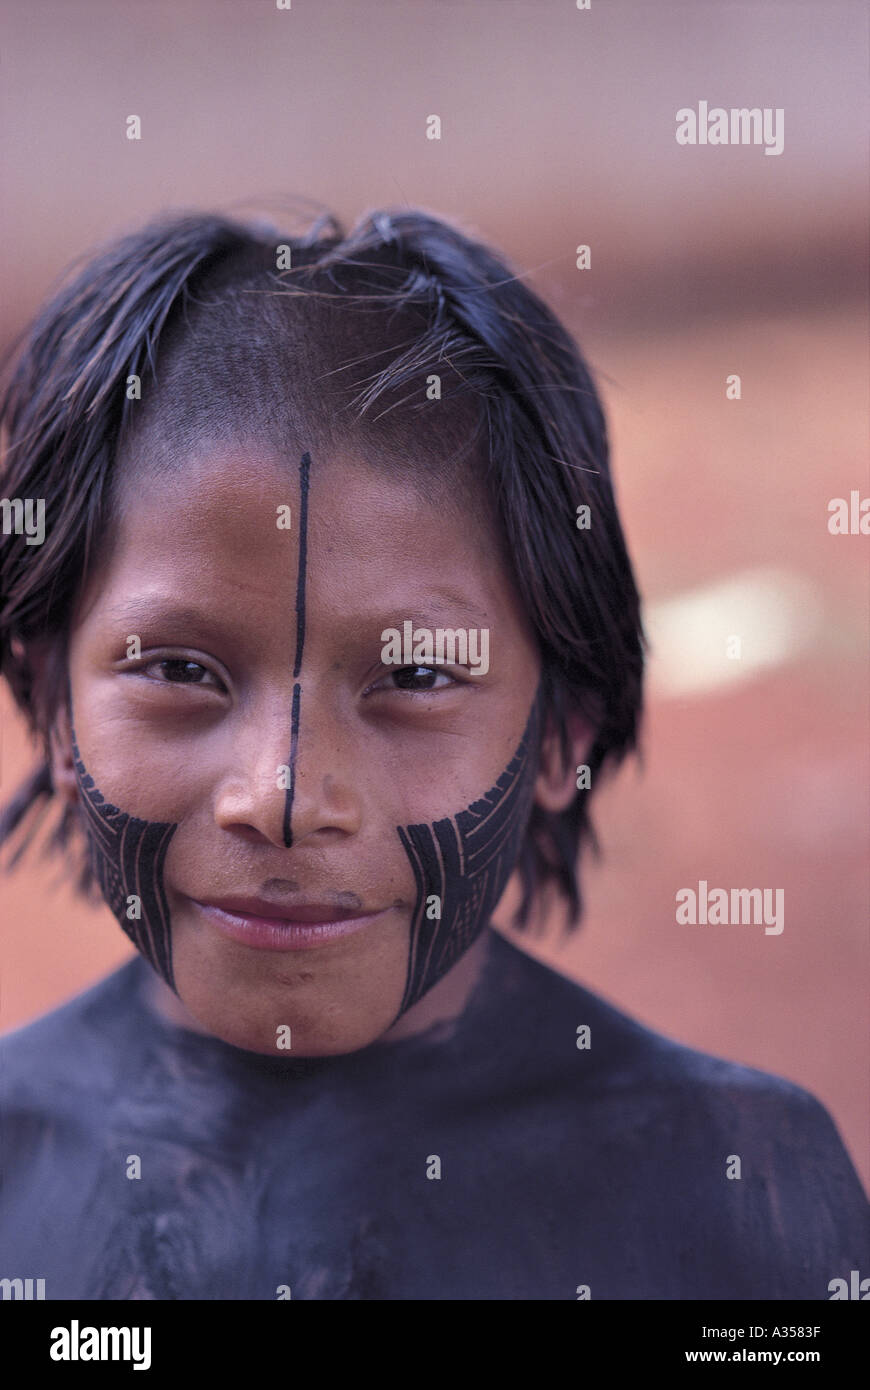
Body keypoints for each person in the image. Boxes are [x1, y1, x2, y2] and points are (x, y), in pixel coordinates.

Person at [0, 205, 865, 1300]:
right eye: (178, 671)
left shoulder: (738, 1196)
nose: (283, 796)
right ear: (51, 702)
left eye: (414, 677)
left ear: (565, 733)